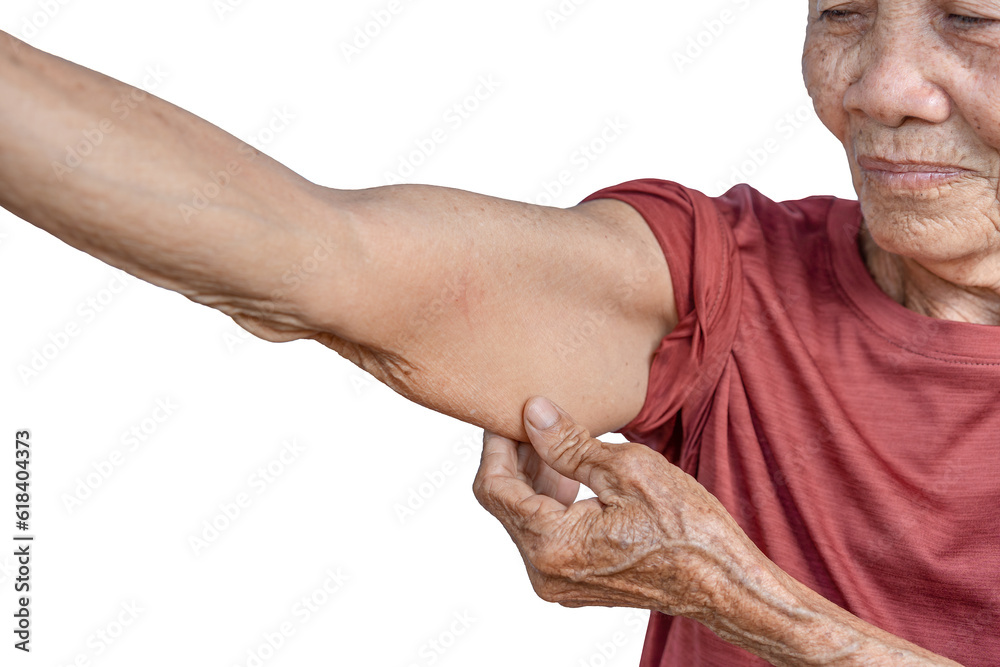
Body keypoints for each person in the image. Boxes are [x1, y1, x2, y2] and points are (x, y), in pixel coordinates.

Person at [0, 1, 996, 664]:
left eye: (970, 18)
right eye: (842, 14)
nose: (877, 86)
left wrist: (734, 597)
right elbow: (311, 255)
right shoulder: (728, 276)